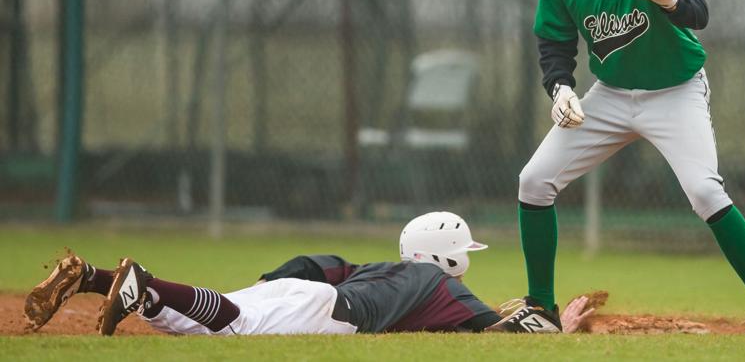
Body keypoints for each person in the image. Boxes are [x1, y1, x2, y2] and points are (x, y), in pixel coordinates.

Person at [488, 0, 745, 336]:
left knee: (706, 192)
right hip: (610, 95)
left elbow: (699, 14)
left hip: (675, 91)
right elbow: (554, 40)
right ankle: (542, 309)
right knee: (534, 181)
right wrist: (560, 87)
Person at [25, 211, 595, 336]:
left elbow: (312, 264)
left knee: (196, 323)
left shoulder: (381, 267)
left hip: (300, 288)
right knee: (232, 326)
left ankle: (94, 277)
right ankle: (140, 282)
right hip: (330, 312)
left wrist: (269, 283)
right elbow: (503, 334)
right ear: (449, 257)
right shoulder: (442, 286)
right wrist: (559, 327)